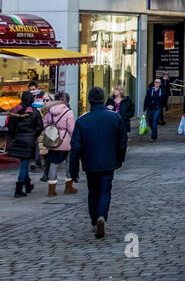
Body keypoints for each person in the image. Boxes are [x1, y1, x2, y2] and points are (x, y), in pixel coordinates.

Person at [68, 86, 127, 238]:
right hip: (109, 161)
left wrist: (73, 169)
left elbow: (75, 147)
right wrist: (120, 158)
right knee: (105, 190)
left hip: (90, 162)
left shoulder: (82, 120)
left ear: (89, 100)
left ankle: (95, 220)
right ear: (103, 99)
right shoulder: (114, 117)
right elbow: (122, 141)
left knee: (93, 191)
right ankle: (101, 216)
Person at [7, 90, 43, 197]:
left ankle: (28, 184)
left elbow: (10, 125)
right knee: (24, 164)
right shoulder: (34, 112)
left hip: (19, 139)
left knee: (24, 162)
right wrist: (33, 136)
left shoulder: (15, 110)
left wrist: (15, 135)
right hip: (29, 140)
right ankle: (19, 188)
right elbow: (39, 127)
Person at [40, 91, 77, 196]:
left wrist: (52, 129)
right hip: (66, 141)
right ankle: (68, 187)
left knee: (53, 163)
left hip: (52, 140)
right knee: (69, 163)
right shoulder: (68, 112)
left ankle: (51, 190)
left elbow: (44, 124)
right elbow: (71, 129)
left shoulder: (49, 111)